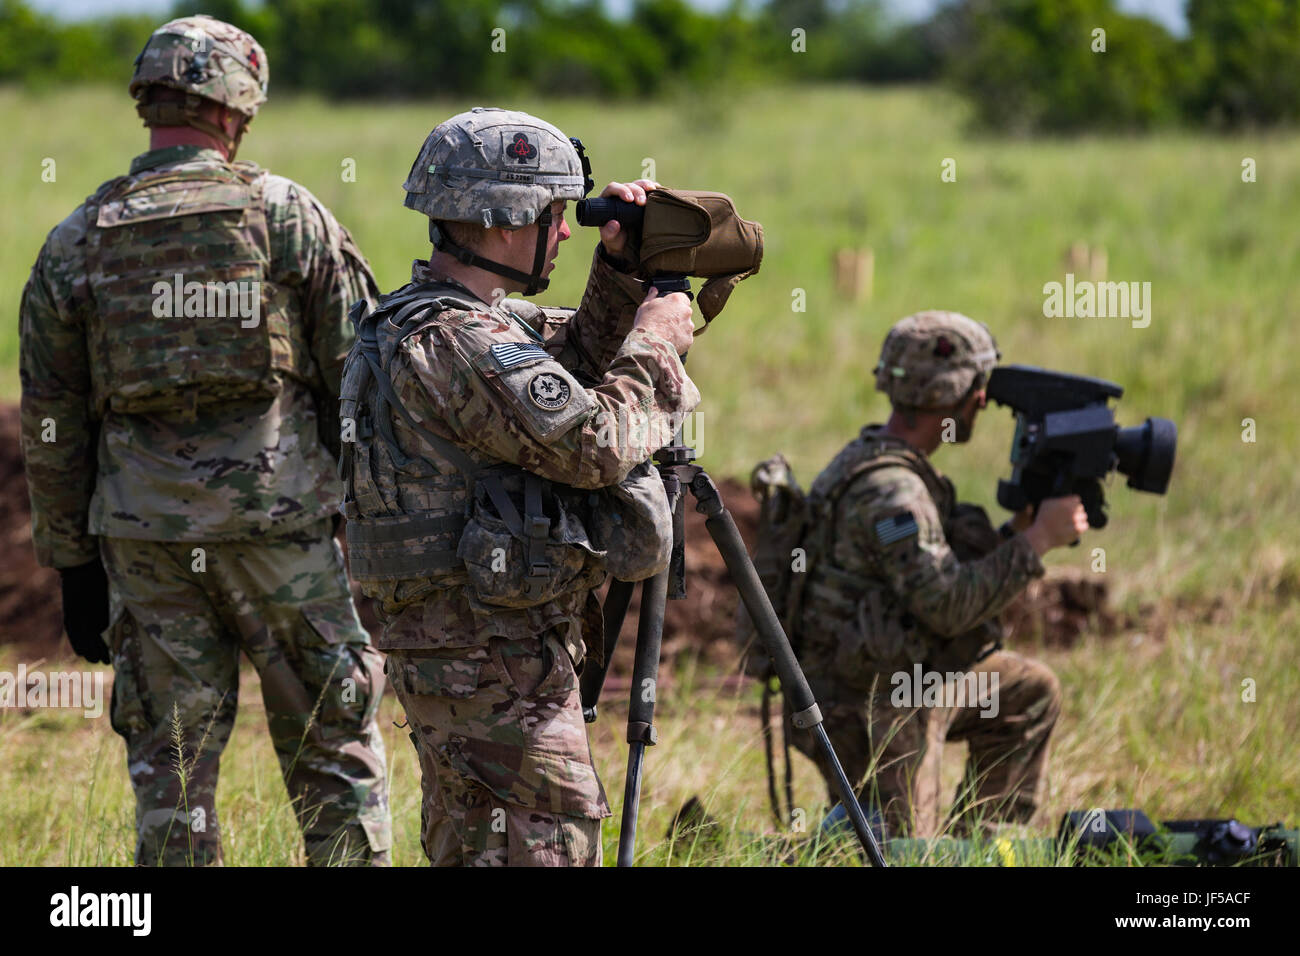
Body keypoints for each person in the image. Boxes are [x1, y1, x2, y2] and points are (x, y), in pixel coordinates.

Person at [19, 15, 390, 866]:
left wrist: (72, 563)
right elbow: (361, 380)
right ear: (239, 108)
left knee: (173, 775)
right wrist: (363, 517)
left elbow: (52, 419)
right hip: (285, 539)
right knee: (333, 758)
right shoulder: (288, 215)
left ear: (147, 101)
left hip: (145, 547)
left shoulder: (75, 239)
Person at [339, 107, 700, 866]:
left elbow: (559, 372)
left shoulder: (421, 324)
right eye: (555, 213)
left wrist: (622, 273)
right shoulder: (461, 341)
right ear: (506, 220)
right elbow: (595, 442)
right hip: (497, 665)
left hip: (457, 656)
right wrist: (661, 340)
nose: (566, 232)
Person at [790, 311, 1088, 837]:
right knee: (901, 854)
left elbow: (924, 580)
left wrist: (1017, 532)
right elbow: (946, 606)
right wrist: (1039, 540)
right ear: (960, 394)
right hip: (871, 701)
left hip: (900, 677)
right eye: (979, 387)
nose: (983, 400)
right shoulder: (894, 494)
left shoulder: (879, 458)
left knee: (1028, 693)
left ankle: (982, 847)